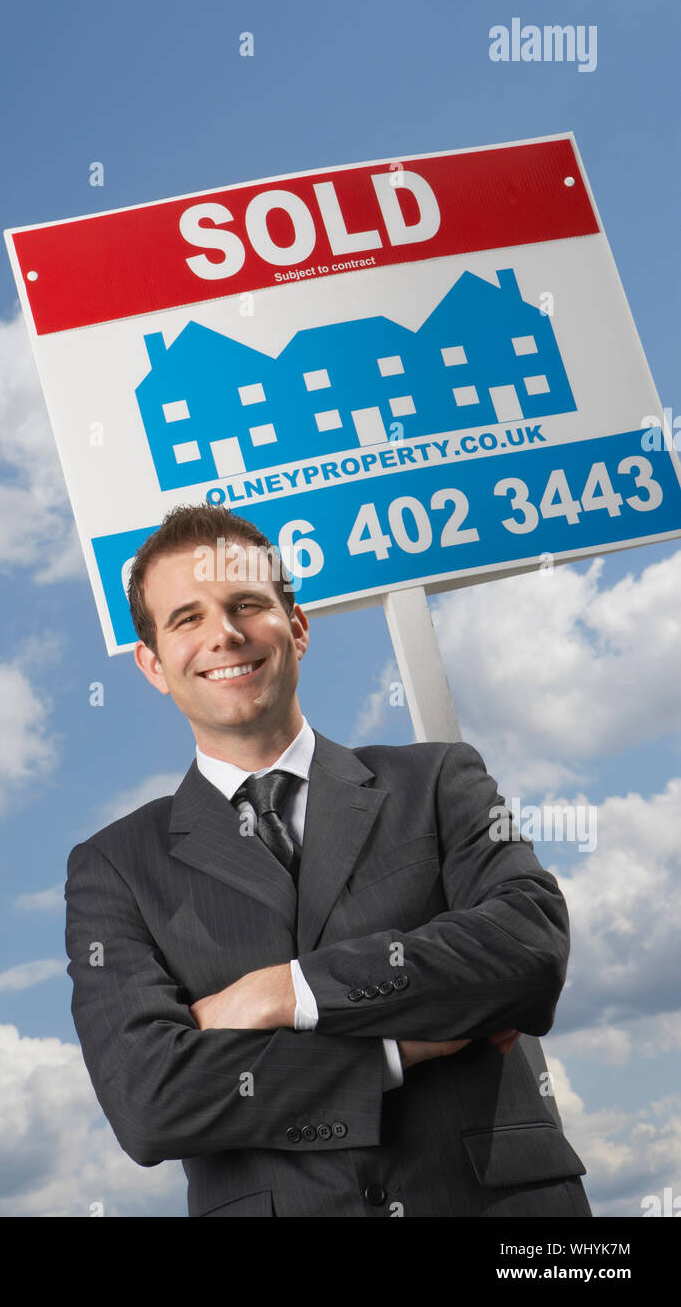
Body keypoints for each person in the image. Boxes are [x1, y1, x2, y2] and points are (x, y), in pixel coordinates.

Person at [64, 501, 591, 1217]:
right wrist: (399, 1047)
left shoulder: (437, 781)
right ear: (153, 664)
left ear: (298, 628)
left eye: (246, 603)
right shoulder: (114, 868)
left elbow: (528, 946)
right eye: (187, 618)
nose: (224, 634)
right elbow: (149, 1098)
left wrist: (288, 991)